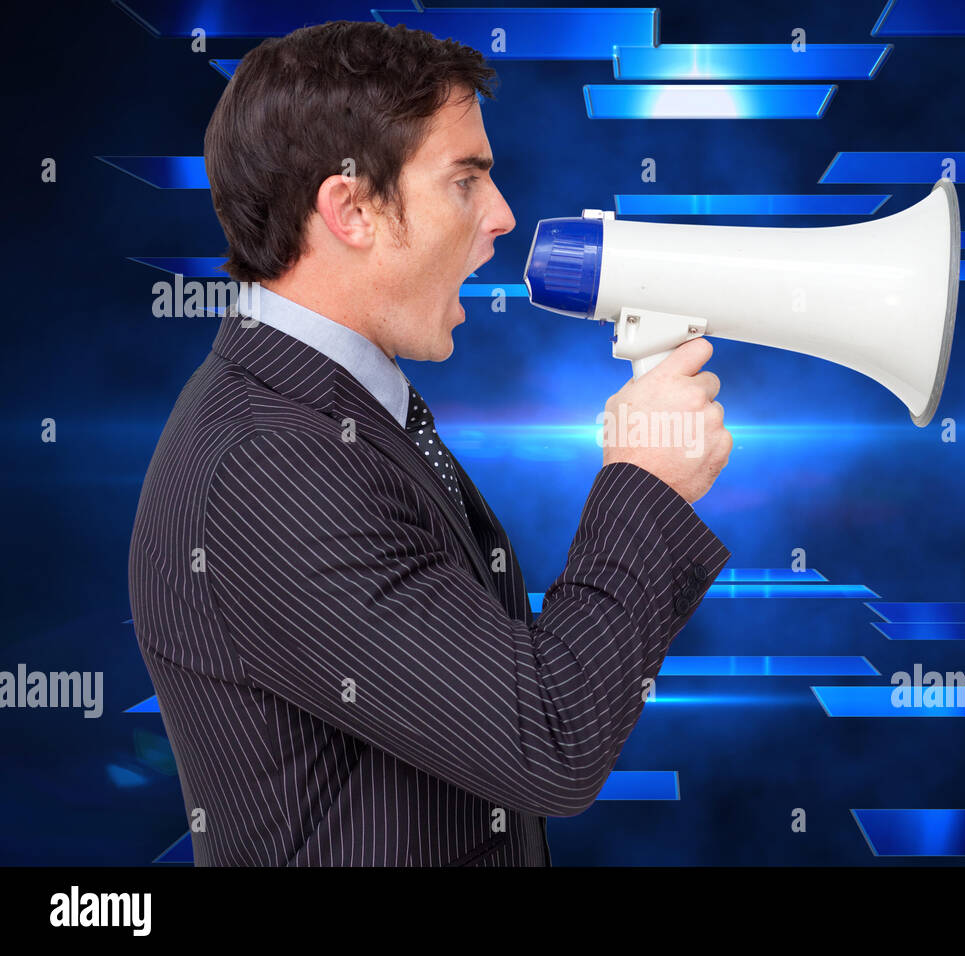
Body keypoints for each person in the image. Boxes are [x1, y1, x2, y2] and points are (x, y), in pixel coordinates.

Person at [127, 20, 731, 866]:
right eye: (464, 181)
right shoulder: (271, 466)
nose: (503, 217)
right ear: (351, 208)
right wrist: (645, 486)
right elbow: (547, 740)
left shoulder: (325, 417)